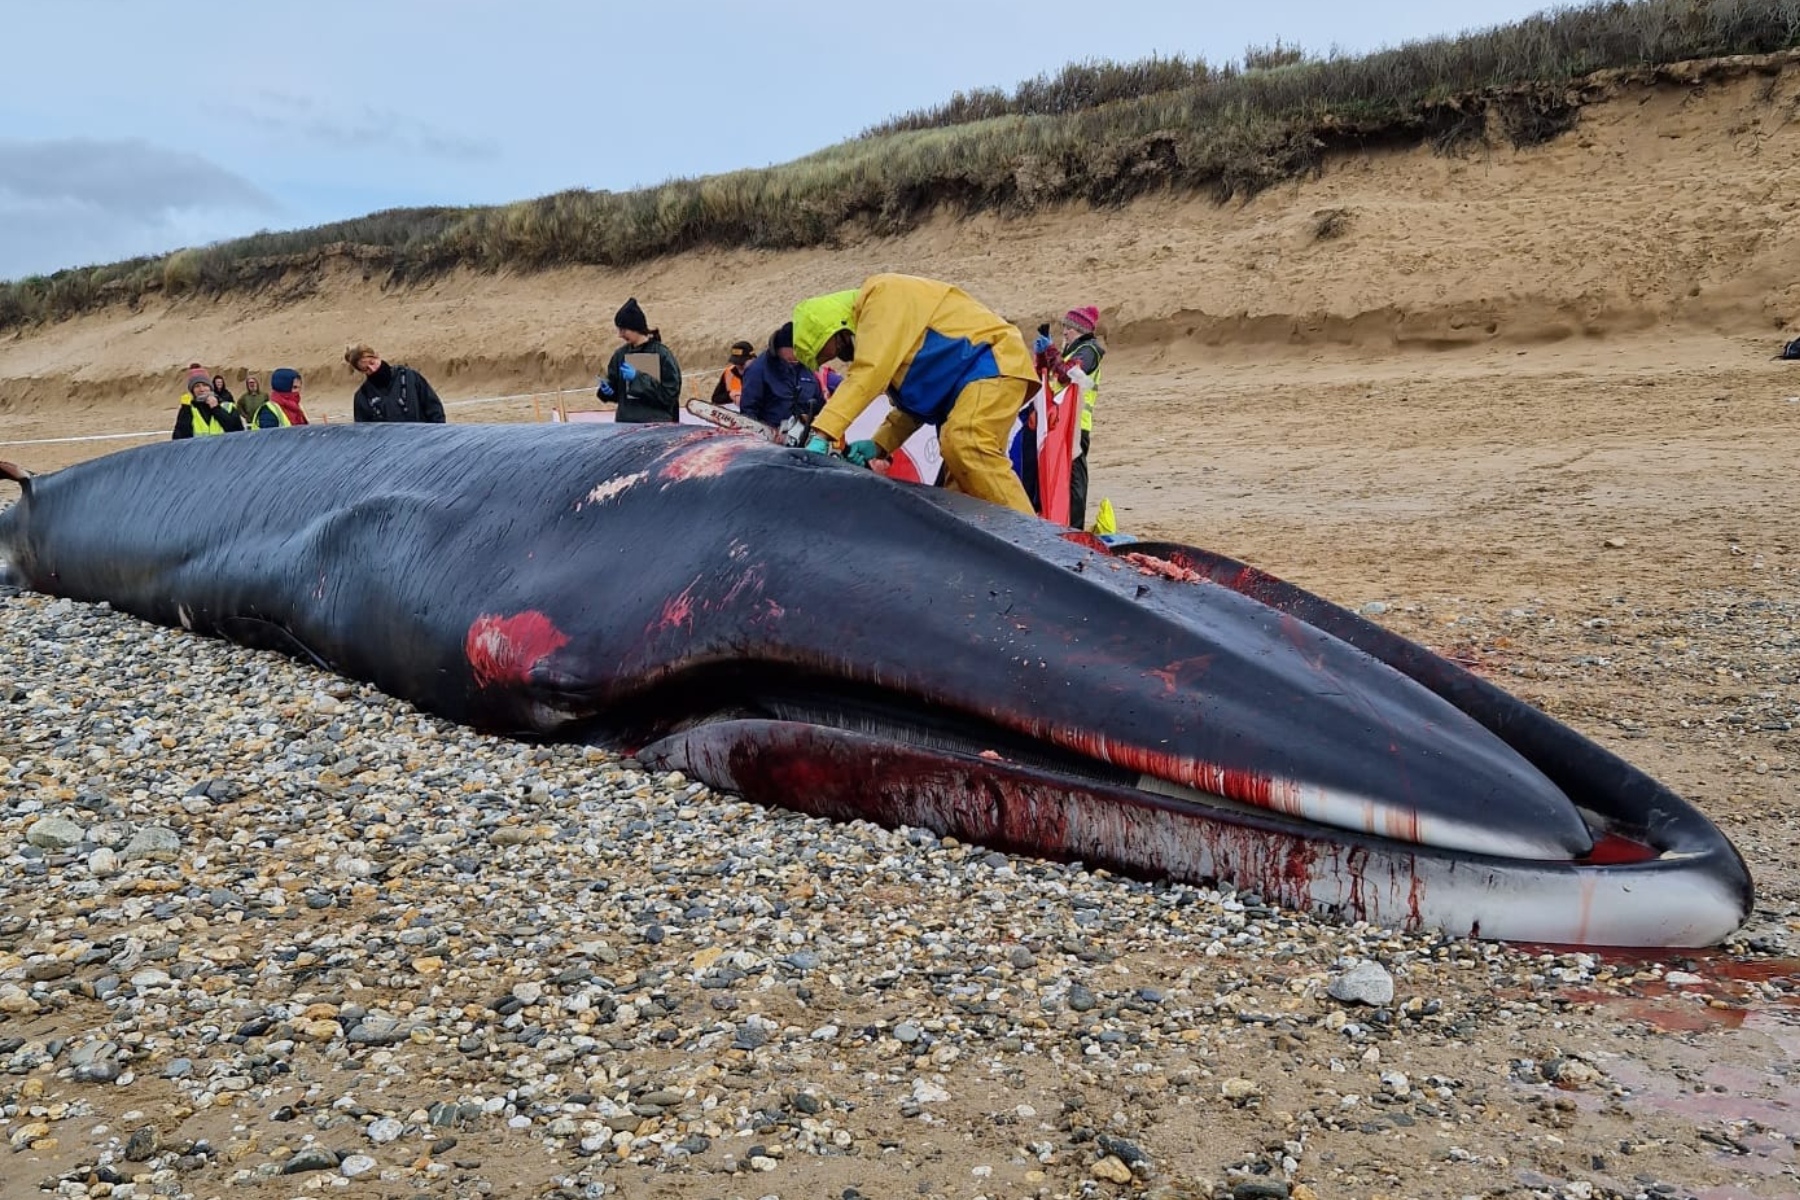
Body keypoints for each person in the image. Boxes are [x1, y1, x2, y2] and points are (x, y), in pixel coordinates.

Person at [792, 274, 1037, 515]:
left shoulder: (881, 296)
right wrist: (878, 445)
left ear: (836, 328)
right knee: (962, 496)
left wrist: (823, 433)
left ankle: (1032, 537)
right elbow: (914, 407)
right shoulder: (894, 341)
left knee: (966, 441)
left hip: (992, 359)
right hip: (969, 380)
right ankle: (996, 540)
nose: (840, 357)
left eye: (833, 351)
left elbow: (867, 374)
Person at [1035, 305, 1105, 530]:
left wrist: (1051, 351)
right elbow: (1052, 375)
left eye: (1069, 328)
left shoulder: (1090, 350)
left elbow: (1068, 374)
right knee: (1057, 479)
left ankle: (1074, 529)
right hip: (1059, 424)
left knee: (1074, 480)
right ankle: (1060, 525)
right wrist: (1042, 355)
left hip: (1076, 427)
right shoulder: (1071, 352)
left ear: (1081, 329)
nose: (1064, 332)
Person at [596, 298, 681, 423]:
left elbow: (670, 394)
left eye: (623, 330)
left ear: (635, 327)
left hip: (657, 425)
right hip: (625, 424)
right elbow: (618, 392)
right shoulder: (620, 355)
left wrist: (637, 378)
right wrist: (608, 391)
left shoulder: (662, 354)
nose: (620, 335)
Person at [738, 322, 822, 433]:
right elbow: (748, 412)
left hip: (805, 435)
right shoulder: (757, 370)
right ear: (783, 347)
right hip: (769, 438)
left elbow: (820, 404)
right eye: (796, 349)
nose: (800, 355)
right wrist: (764, 434)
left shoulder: (806, 368)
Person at [346, 344, 446, 423]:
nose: (373, 369)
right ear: (362, 372)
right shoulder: (362, 397)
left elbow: (434, 409)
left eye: (372, 363)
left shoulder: (410, 377)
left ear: (377, 356)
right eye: (366, 369)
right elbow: (364, 433)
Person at [172, 370, 244, 439]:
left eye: (205, 385)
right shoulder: (189, 409)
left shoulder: (227, 407)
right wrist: (185, 410)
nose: (201, 389)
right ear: (192, 391)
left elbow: (238, 431)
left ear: (210, 388)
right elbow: (180, 437)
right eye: (197, 386)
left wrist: (217, 409)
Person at [710, 341, 757, 407]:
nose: (738, 366)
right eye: (736, 362)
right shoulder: (729, 373)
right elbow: (716, 399)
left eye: (742, 363)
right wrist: (731, 395)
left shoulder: (764, 372)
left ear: (753, 359)